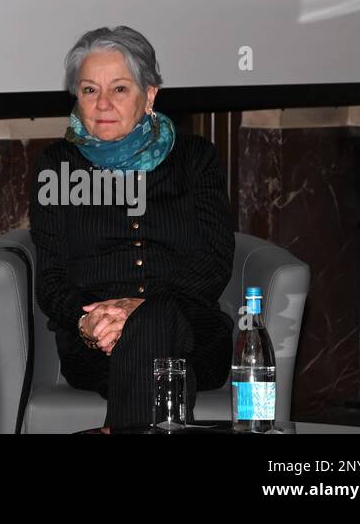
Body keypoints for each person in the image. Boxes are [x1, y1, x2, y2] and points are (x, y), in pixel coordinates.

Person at [29, 25, 234, 430]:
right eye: (89, 90)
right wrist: (85, 320)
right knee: (156, 352)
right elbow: (51, 277)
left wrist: (142, 311)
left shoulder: (195, 158)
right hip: (96, 342)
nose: (103, 103)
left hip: (194, 332)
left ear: (150, 95)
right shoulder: (56, 166)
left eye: (119, 89)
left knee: (154, 326)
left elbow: (215, 260)